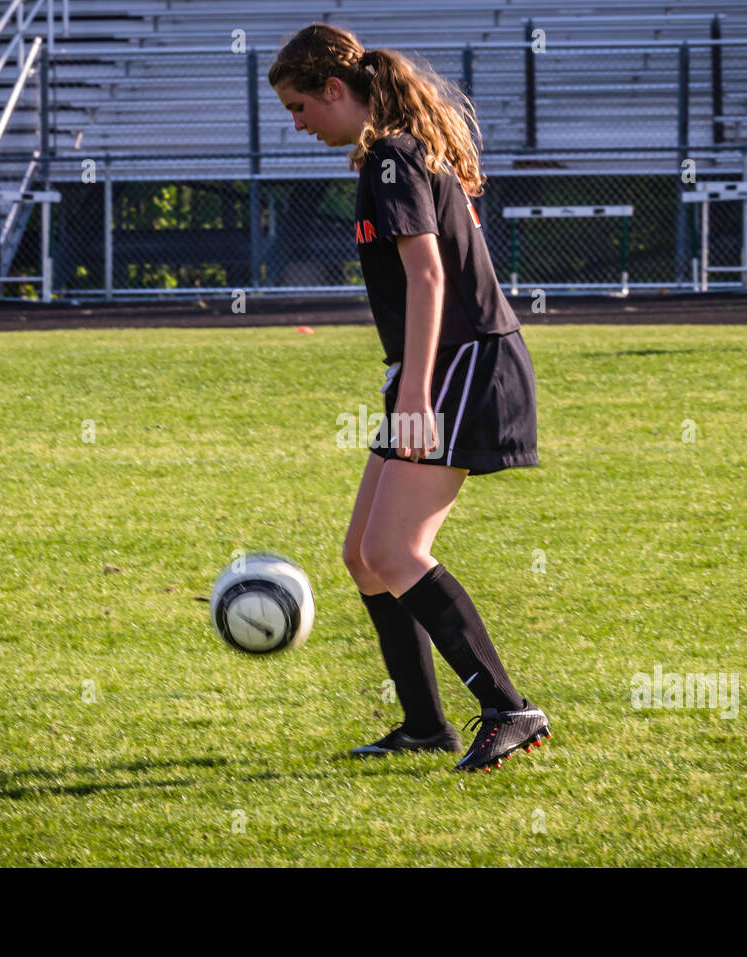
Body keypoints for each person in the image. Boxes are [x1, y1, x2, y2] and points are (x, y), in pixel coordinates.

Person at [269, 24, 551, 773]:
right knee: (364, 555)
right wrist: (406, 381)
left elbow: (429, 278)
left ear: (336, 89)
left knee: (397, 551)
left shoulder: (393, 156)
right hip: (433, 368)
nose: (298, 125)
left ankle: (508, 708)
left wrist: (418, 390)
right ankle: (426, 723)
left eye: (300, 107)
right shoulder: (387, 154)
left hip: (462, 366)